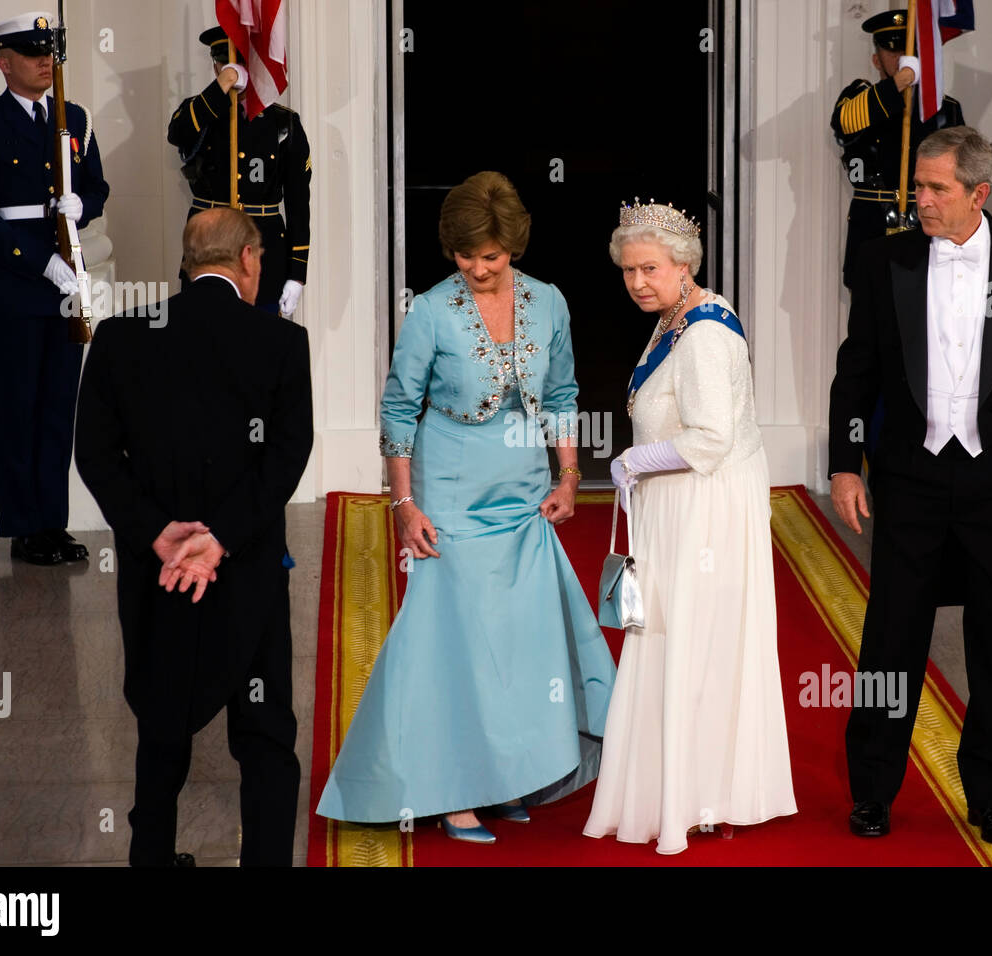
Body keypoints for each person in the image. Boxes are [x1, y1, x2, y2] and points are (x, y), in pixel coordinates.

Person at [315, 171, 615, 844]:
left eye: (492, 256)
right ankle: (452, 794)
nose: (478, 268)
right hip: (448, 488)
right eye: (465, 254)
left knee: (517, 641)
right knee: (457, 642)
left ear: (515, 245)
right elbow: (397, 410)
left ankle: (503, 777)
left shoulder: (549, 302)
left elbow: (564, 393)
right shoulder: (428, 311)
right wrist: (403, 504)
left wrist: (570, 476)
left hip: (524, 493)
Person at [828, 127, 992, 844]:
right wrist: (846, 463)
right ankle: (873, 791)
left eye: (937, 188)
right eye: (919, 186)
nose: (922, 200)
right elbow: (857, 371)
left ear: (980, 192)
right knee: (891, 640)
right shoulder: (886, 261)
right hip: (908, 479)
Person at [75, 208, 313, 866]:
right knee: (264, 732)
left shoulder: (122, 338)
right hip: (247, 572)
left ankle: (151, 858)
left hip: (162, 575)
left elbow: (95, 455)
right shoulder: (282, 343)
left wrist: (161, 536)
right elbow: (286, 457)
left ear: (188, 262)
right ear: (248, 260)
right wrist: (222, 539)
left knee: (161, 719)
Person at [584, 199, 797, 855]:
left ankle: (703, 795)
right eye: (628, 271)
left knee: (699, 647)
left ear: (683, 265)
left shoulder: (705, 334)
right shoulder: (675, 317)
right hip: (679, 504)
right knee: (682, 644)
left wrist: (631, 460)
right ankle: (684, 787)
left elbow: (707, 440)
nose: (638, 283)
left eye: (649, 268)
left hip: (703, 509)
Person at [0, 11, 109, 565]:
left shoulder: (75, 119)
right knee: (20, 406)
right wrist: (40, 261)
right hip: (16, 285)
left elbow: (98, 188)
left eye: (50, 53)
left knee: (58, 407)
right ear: (3, 62)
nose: (47, 61)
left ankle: (52, 523)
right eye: (32, 53)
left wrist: (82, 206)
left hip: (68, 283)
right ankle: (22, 528)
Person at [167, 26, 311, 316]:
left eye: (240, 62)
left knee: (260, 352)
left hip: (264, 257)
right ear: (215, 65)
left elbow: (298, 204)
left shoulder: (285, 124)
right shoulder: (200, 112)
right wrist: (225, 82)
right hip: (208, 249)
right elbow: (178, 133)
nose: (232, 69)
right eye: (223, 62)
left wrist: (297, 274)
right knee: (205, 348)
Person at [832, 7, 964, 289]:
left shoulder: (945, 109)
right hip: (873, 225)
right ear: (876, 59)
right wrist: (901, 81)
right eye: (893, 51)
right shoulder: (860, 96)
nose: (903, 57)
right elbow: (844, 125)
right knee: (870, 325)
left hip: (928, 226)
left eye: (910, 50)